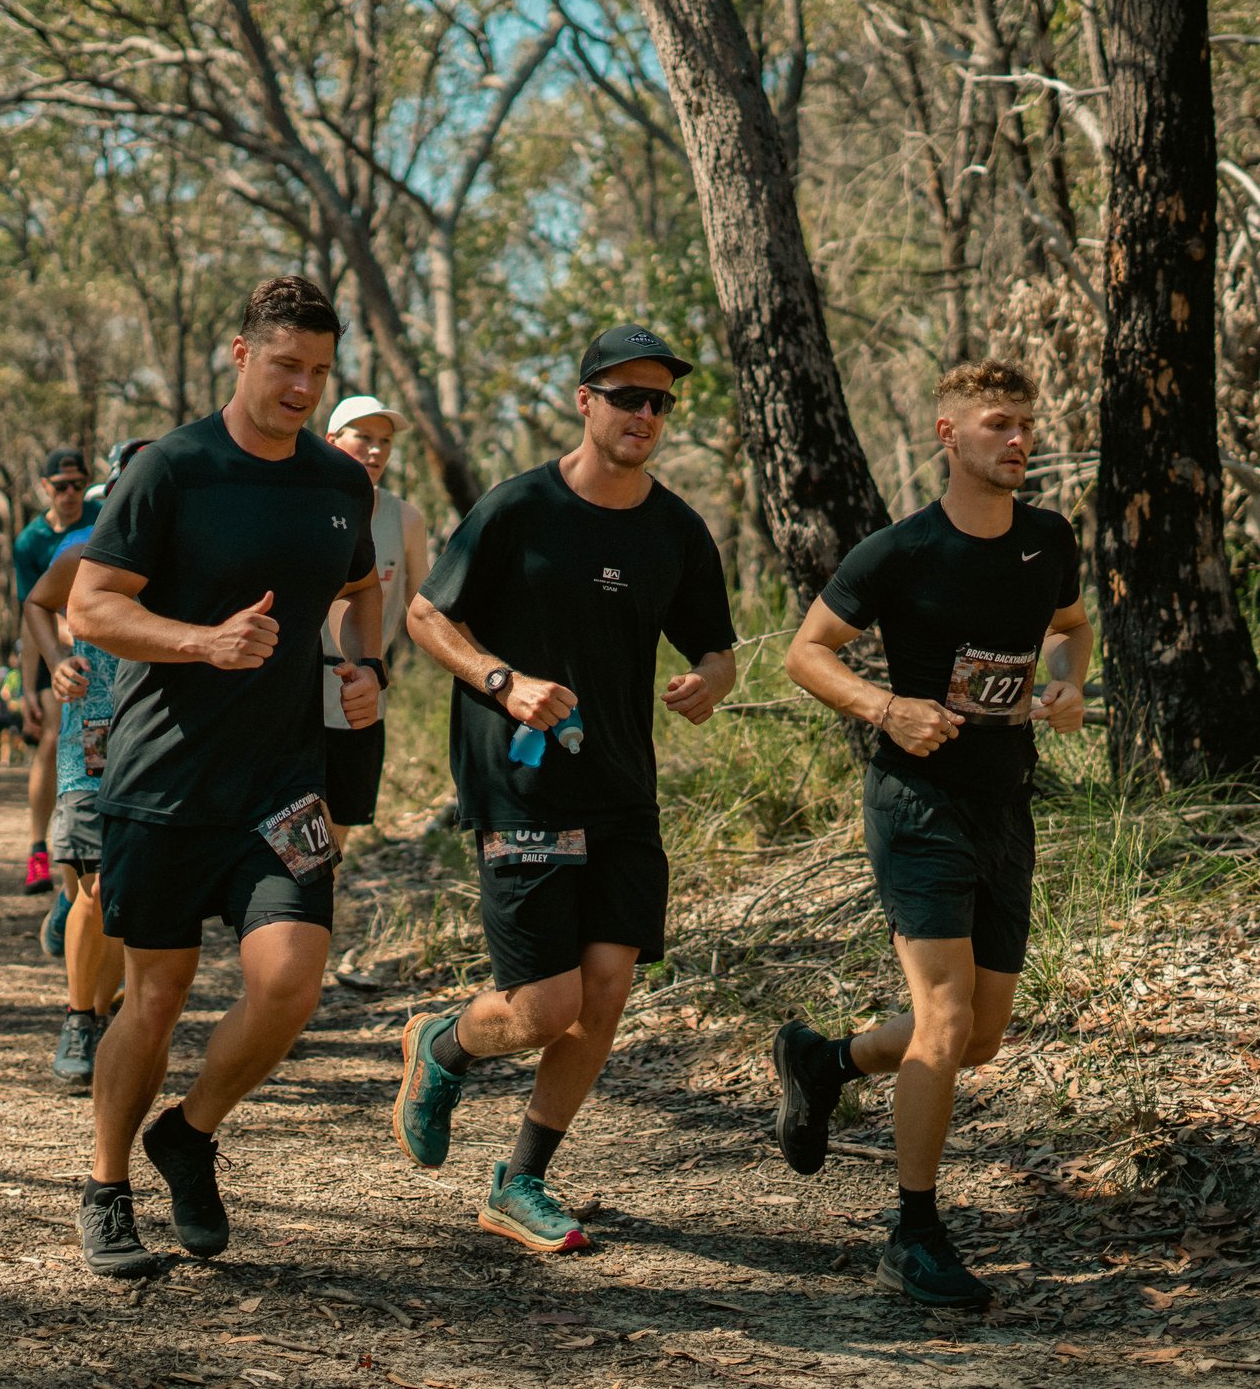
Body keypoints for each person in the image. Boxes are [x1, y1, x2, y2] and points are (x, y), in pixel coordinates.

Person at [391, 324, 737, 1256]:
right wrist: (503, 681)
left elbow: (717, 646)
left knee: (607, 992)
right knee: (546, 1007)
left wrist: (710, 681)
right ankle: (444, 1045)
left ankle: (521, 1181)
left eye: (660, 401)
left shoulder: (675, 529)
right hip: (521, 783)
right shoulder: (518, 508)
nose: (645, 415)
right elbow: (426, 615)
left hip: (622, 786)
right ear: (585, 401)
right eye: (627, 397)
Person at [66, 276, 385, 1277]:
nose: (303, 389)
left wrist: (363, 668)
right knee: (155, 997)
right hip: (162, 785)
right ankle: (106, 1187)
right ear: (241, 355)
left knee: (290, 984)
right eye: (286, 365)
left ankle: (189, 1131)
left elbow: (360, 590)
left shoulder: (340, 484)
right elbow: (90, 607)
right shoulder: (173, 469)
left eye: (319, 372)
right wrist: (201, 642)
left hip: (282, 787)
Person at [771, 359, 1091, 1308]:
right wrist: (886, 708)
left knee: (979, 1036)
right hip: (916, 804)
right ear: (949, 435)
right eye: (998, 423)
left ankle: (823, 1061)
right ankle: (913, 1234)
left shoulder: (1047, 539)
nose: (1019, 438)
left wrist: (1068, 683)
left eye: (1026, 422)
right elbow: (805, 653)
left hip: (1005, 802)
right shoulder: (900, 551)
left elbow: (1070, 626)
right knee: (945, 1021)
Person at [24, 461, 135, 1090]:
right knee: (97, 886)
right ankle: (79, 1019)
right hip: (90, 740)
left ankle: (106, 1009)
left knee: (123, 892)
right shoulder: (82, 556)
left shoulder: (193, 560)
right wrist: (55, 662)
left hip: (157, 744)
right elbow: (38, 603)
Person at [317, 395, 431, 847]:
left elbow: (425, 610)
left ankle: (327, 897)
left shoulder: (405, 518)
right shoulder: (301, 504)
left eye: (385, 441)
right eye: (363, 437)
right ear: (332, 440)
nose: (376, 450)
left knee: (335, 839)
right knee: (288, 835)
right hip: (294, 696)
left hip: (361, 696)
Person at [16, 448, 94, 892]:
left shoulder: (102, 517)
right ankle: (38, 850)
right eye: (61, 486)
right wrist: (28, 688)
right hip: (55, 652)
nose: (70, 493)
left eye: (78, 484)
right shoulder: (30, 542)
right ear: (45, 487)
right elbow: (32, 612)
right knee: (51, 738)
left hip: (102, 652)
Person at [0, 649, 27, 767]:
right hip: (10, 711)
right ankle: (4, 760)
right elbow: (4, 692)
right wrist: (10, 700)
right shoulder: (12, 675)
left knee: (19, 738)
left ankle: (23, 756)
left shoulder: (30, 674)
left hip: (24, 712)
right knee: (6, 735)